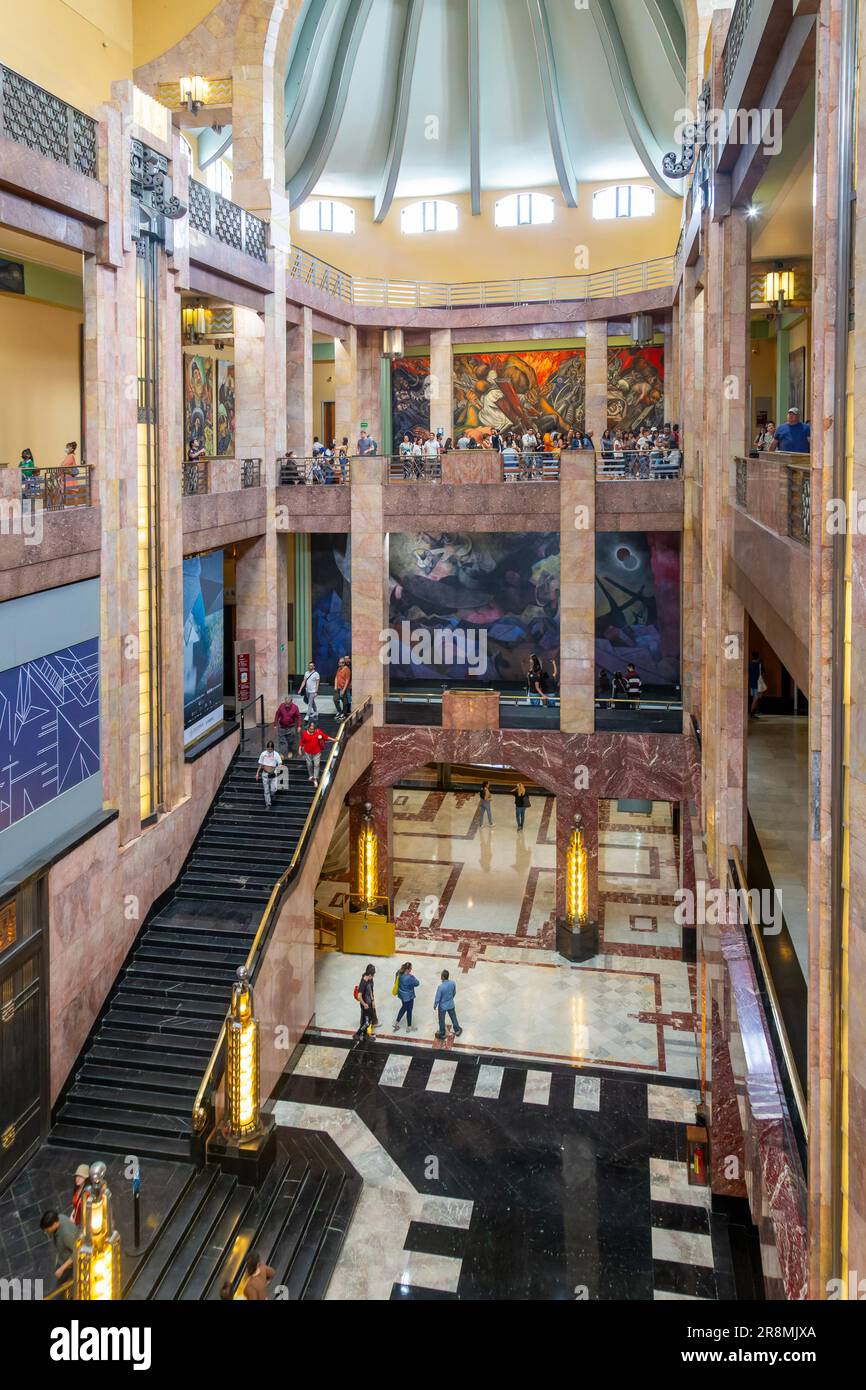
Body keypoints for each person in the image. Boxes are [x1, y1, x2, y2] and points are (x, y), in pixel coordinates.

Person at [40, 1209, 77, 1283]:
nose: (46, 1232)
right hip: (62, 1255)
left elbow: (77, 1252)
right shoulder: (60, 1217)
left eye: (47, 1229)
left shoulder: (66, 1235)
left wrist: (62, 1269)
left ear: (55, 1224)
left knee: (63, 1281)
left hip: (69, 1263)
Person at [299, 718, 332, 786]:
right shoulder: (305, 733)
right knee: (309, 764)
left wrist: (334, 739)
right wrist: (299, 748)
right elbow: (302, 741)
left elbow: (326, 737)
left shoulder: (318, 731)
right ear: (308, 727)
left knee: (316, 765)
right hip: (307, 752)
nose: (311, 730)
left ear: (315, 728)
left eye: (313, 729)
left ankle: (315, 778)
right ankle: (311, 775)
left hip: (317, 752)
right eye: (310, 728)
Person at [434, 969, 462, 1040]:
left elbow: (438, 998)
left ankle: (442, 1033)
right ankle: (457, 1030)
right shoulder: (452, 983)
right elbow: (454, 992)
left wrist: (435, 1005)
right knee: (453, 1017)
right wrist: (450, 999)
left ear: (443, 977)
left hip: (442, 1006)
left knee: (441, 1019)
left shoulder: (440, 987)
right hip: (451, 1004)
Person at [392, 961, 420, 1032]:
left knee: (404, 1008)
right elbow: (417, 983)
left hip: (402, 995)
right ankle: (409, 1027)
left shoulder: (399, 972)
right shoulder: (410, 978)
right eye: (410, 968)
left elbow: (396, 981)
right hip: (409, 997)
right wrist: (412, 976)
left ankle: (396, 1022)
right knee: (409, 1010)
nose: (411, 970)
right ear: (407, 969)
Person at [256, 740, 283, 808]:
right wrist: (257, 773)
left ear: (273, 748)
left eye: (271, 749)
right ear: (267, 748)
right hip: (265, 774)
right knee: (266, 790)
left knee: (274, 789)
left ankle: (272, 795)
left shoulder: (276, 754)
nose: (269, 750)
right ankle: (268, 804)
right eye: (268, 749)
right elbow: (260, 764)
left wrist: (278, 769)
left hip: (273, 774)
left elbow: (280, 763)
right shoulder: (263, 754)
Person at [355, 963, 377, 1038]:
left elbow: (370, 990)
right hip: (365, 1006)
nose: (373, 976)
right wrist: (364, 1004)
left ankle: (367, 1034)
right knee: (367, 1023)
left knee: (369, 1020)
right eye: (373, 975)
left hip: (369, 1003)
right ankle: (358, 1034)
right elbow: (359, 996)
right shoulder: (363, 983)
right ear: (370, 974)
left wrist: (373, 1000)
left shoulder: (370, 980)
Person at [748, 650, 765, 718]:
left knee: (754, 698)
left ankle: (755, 711)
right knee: (756, 698)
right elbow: (763, 674)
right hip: (758, 684)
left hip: (751, 683)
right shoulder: (759, 665)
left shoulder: (749, 664)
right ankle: (751, 712)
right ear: (758, 657)